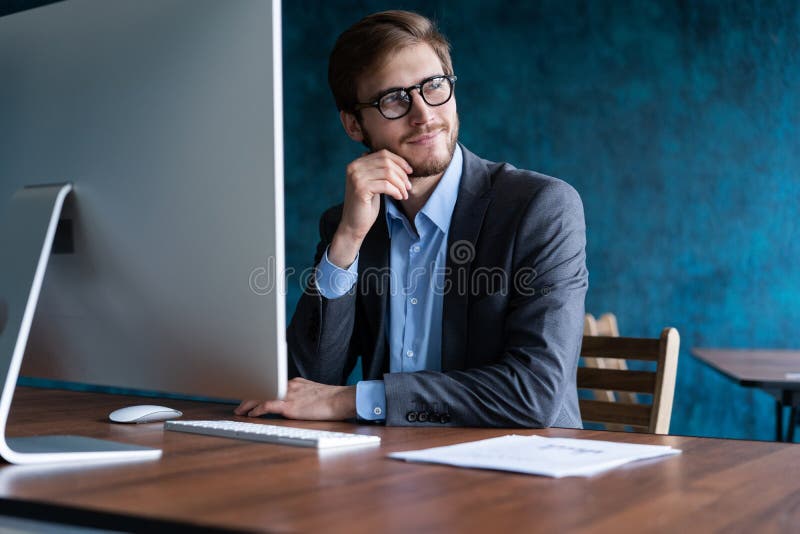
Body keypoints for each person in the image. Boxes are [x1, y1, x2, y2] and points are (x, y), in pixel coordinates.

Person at [235, 10, 588, 427]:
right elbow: (303, 385)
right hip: (388, 472)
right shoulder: (348, 223)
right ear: (353, 124)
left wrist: (353, 400)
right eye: (394, 99)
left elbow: (533, 394)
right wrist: (346, 241)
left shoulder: (541, 208)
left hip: (519, 474)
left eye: (433, 86)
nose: (422, 114)